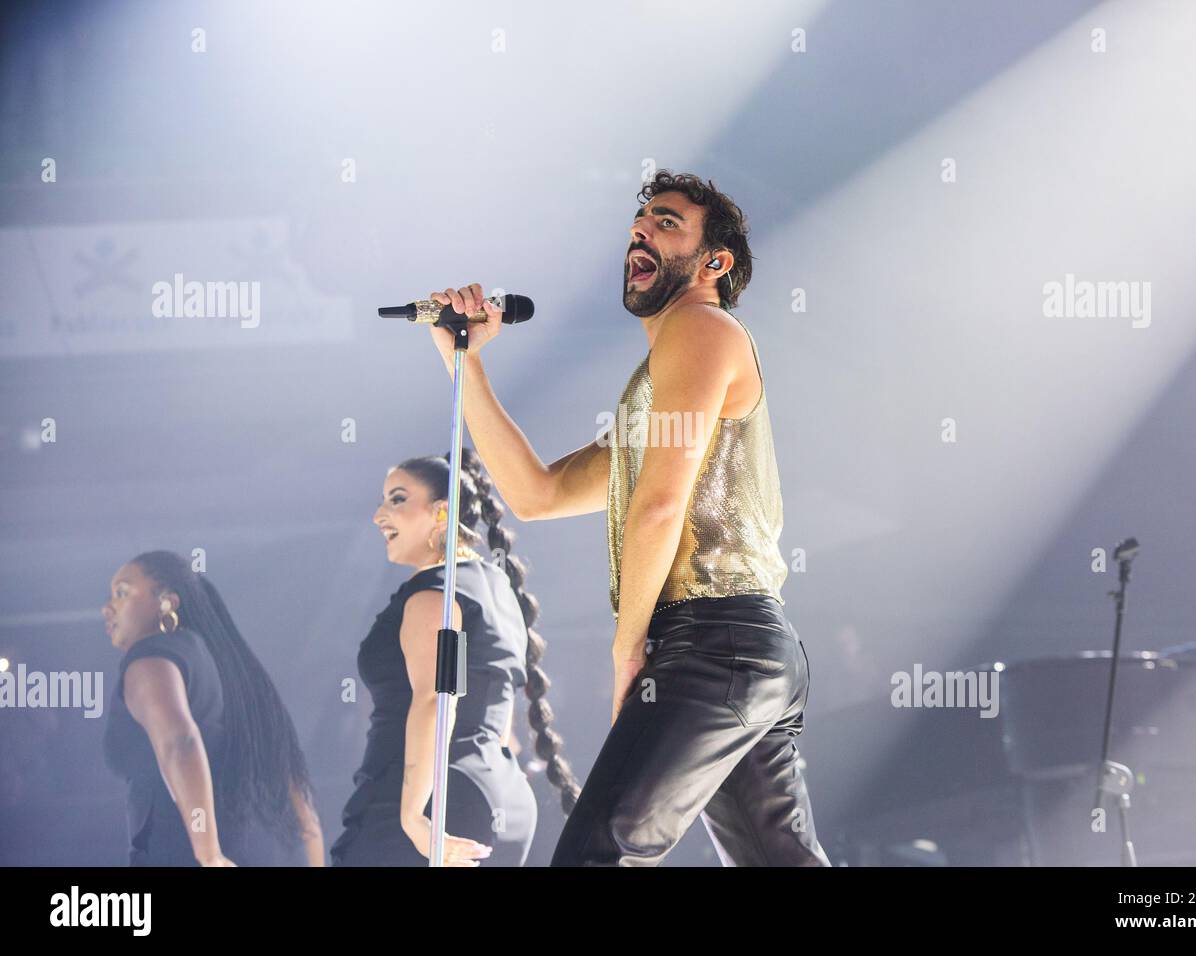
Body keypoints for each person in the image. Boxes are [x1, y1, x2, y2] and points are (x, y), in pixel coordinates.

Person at [428, 170, 831, 865]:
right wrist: (465, 363)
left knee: (596, 853)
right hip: (745, 650)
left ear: (716, 262)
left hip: (714, 640)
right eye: (639, 222)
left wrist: (629, 651)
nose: (640, 231)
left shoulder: (701, 326)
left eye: (667, 222)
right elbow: (539, 494)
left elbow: (660, 507)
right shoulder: (660, 385)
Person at [330, 450, 581, 866]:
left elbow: (438, 698)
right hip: (502, 797)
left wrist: (413, 817)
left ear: (441, 513)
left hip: (437, 800)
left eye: (396, 499)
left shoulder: (437, 596)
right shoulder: (497, 588)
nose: (378, 515)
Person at [101, 550, 321, 866]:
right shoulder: (234, 676)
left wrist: (209, 853)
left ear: (167, 602)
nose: (107, 608)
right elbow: (300, 803)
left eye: (121, 592)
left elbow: (179, 742)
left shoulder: (150, 660)